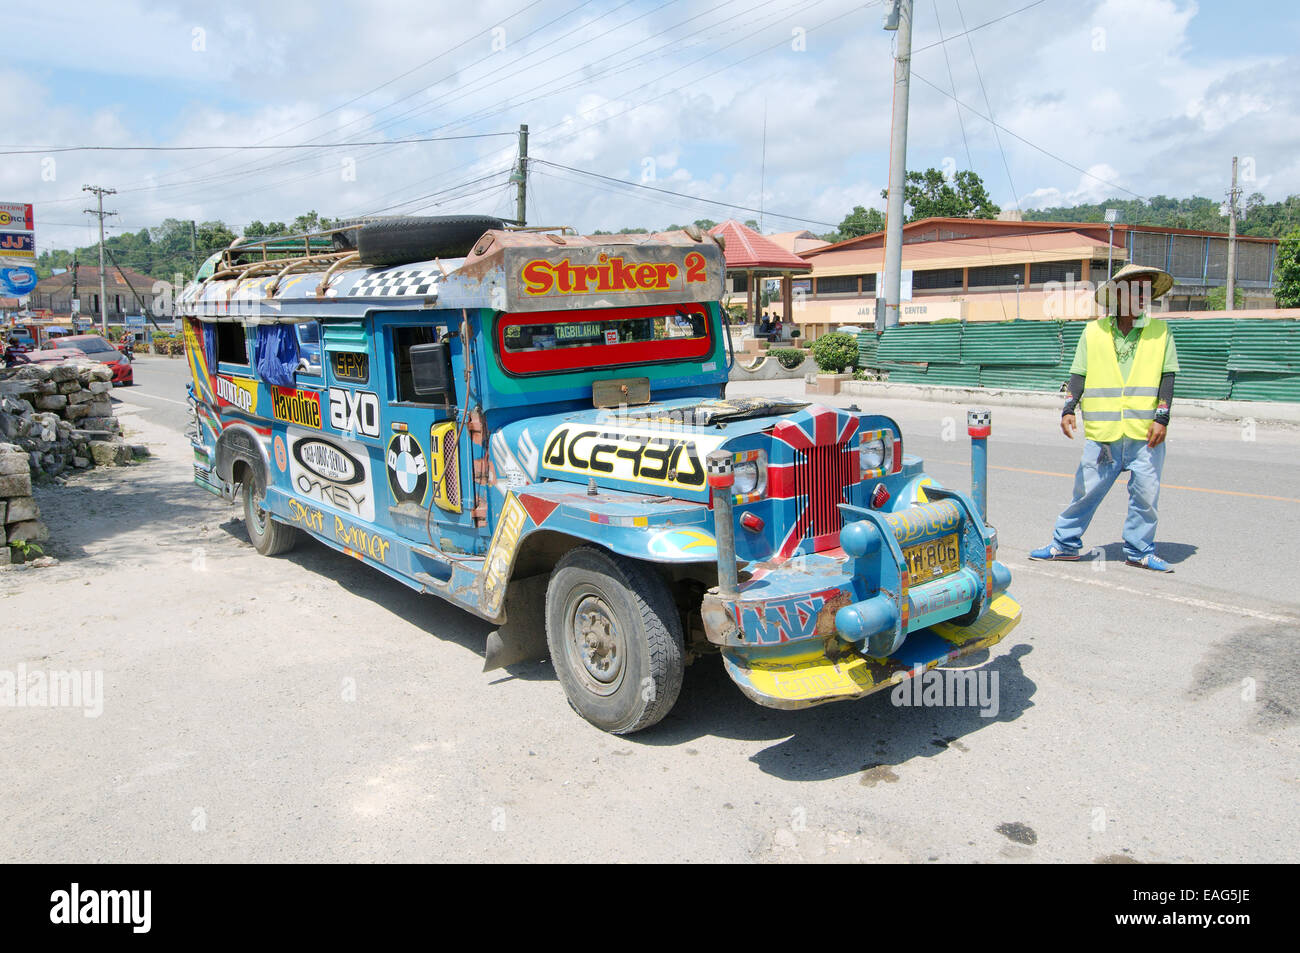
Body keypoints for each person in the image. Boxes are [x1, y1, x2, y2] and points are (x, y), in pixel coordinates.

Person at [1029, 263, 1179, 572]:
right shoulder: (1093, 332)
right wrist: (1068, 409)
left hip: (1144, 434)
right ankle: (1065, 545)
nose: (1141, 295)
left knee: (1146, 496)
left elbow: (1167, 376)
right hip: (1103, 436)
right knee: (1085, 492)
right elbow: (1078, 375)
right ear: (1117, 295)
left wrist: (1161, 418)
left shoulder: (1160, 332)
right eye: (1134, 288)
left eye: (1146, 289)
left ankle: (1139, 549)